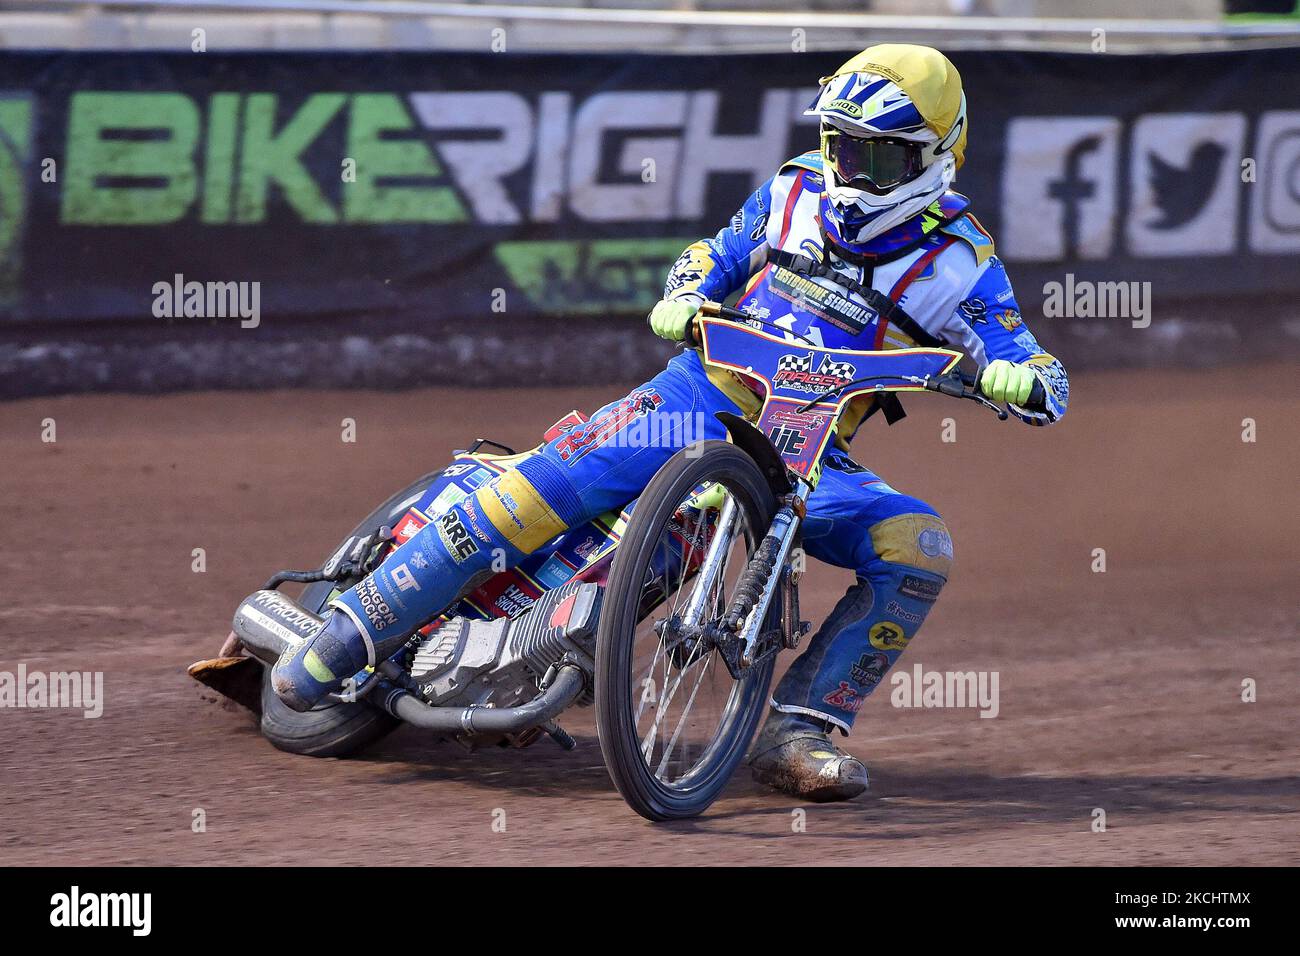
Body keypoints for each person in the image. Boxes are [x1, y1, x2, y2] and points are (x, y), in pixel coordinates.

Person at [272, 44, 1069, 802]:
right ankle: (348, 632)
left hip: (811, 449)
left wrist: (1022, 380)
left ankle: (798, 732)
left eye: (879, 158)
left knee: (918, 546)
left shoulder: (964, 263)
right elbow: (712, 254)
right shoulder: (793, 190)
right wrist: (685, 293)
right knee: (535, 491)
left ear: (936, 156)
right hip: (694, 395)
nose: (852, 172)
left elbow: (1039, 369)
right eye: (841, 147)